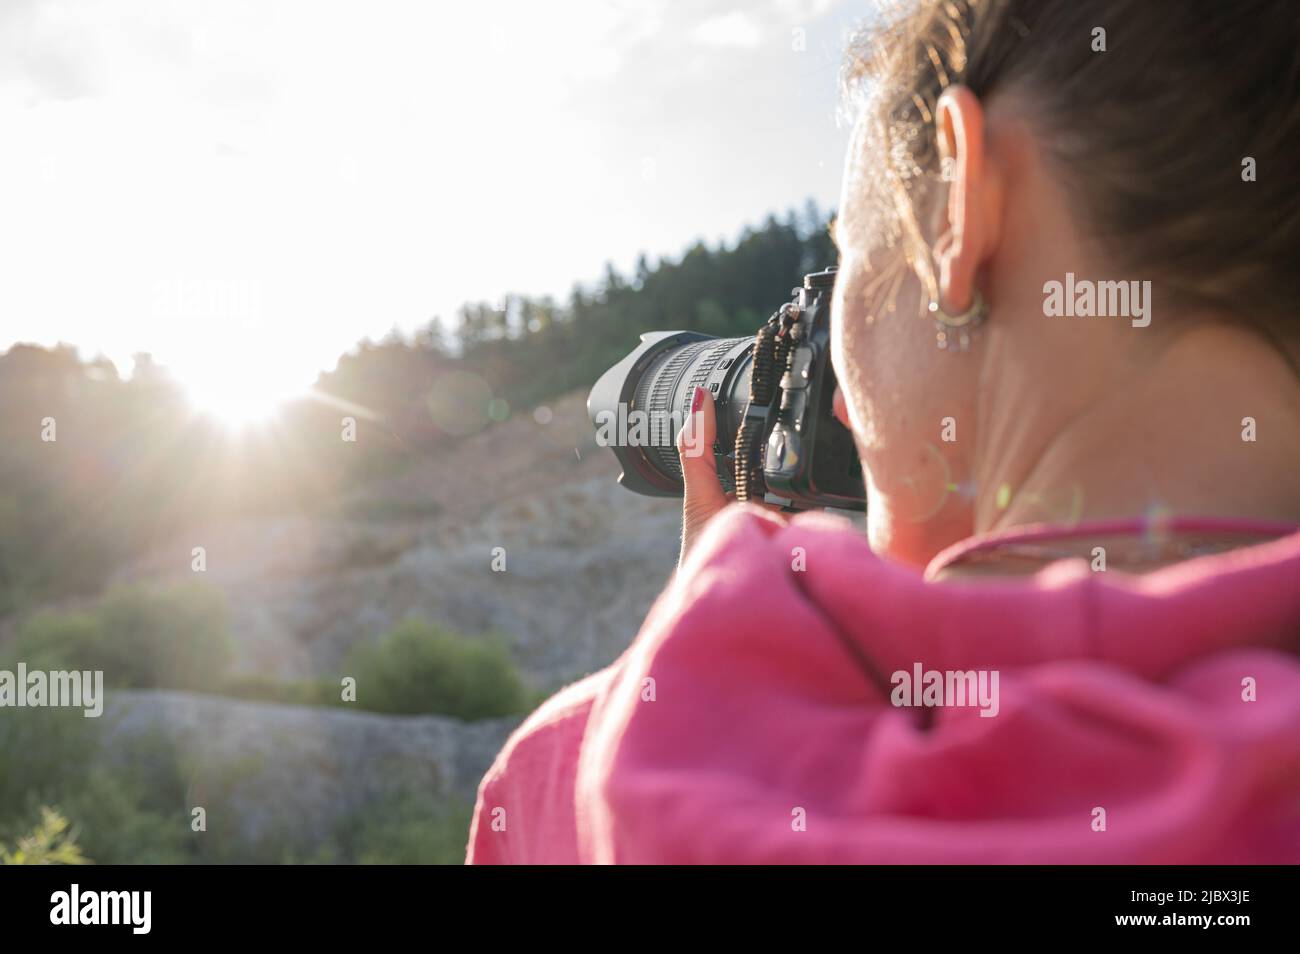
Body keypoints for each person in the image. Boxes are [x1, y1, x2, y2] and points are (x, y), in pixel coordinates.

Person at [467, 0, 1300, 864]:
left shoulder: (586, 788)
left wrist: (711, 659)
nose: (838, 398)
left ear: (963, 208)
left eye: (847, 266)